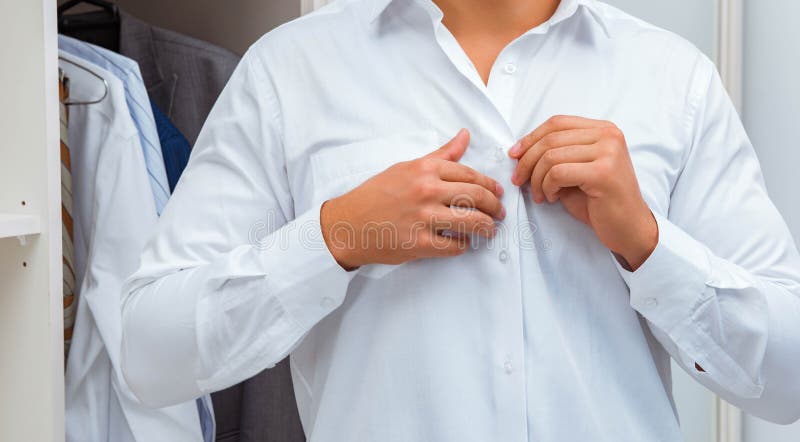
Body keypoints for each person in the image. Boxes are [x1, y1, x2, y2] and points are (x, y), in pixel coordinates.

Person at [120, 0, 800, 440]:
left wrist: (647, 242)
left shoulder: (673, 79)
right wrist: (334, 238)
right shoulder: (290, 72)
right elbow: (150, 352)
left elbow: (786, 378)